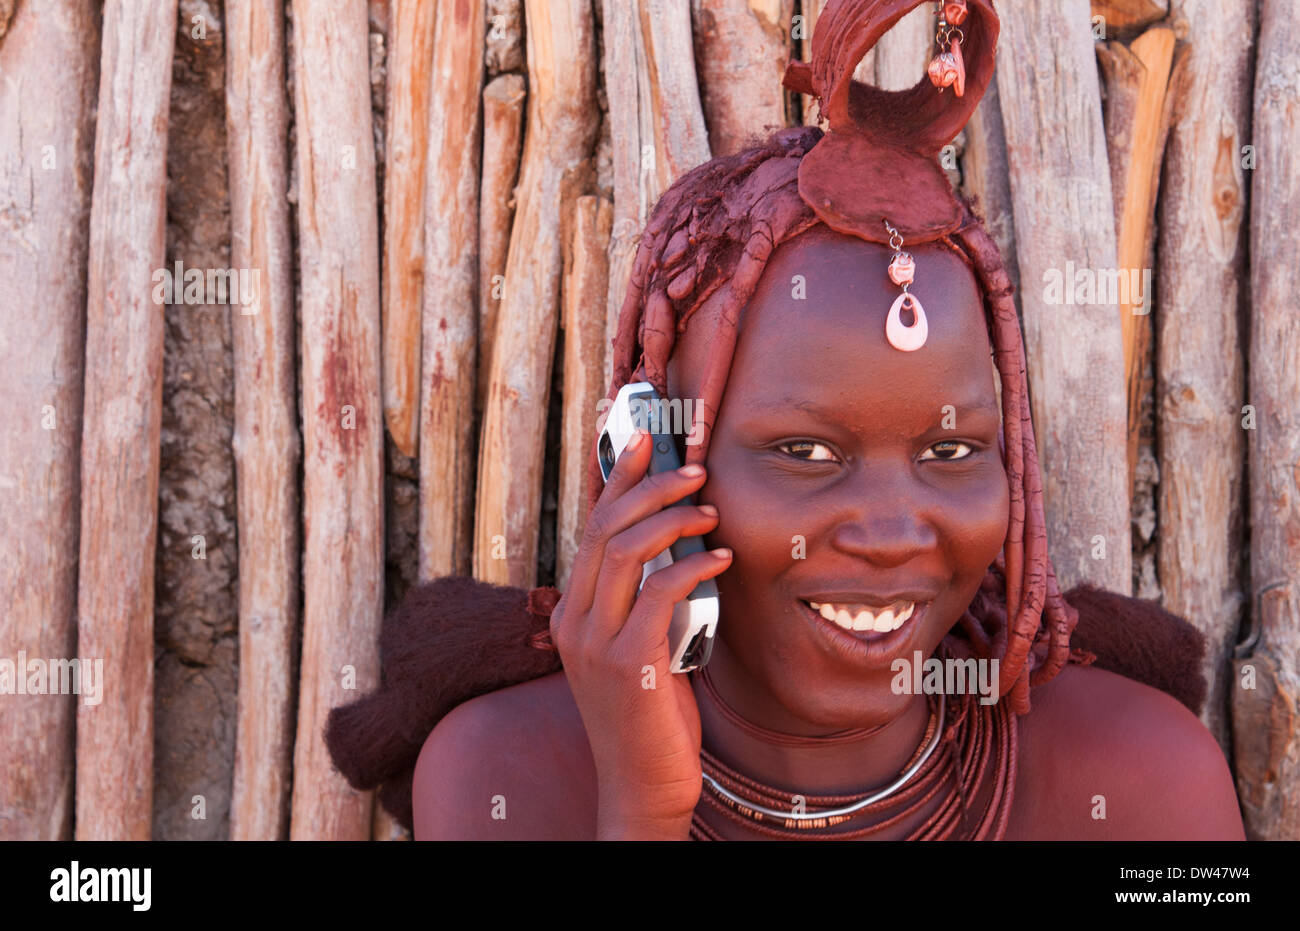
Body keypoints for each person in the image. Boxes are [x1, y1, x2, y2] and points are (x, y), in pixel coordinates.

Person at [331, 0, 1245, 840]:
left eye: (953, 447)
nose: (893, 531)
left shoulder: (1146, 787)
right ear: (651, 459)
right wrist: (642, 809)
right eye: (806, 449)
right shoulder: (505, 778)